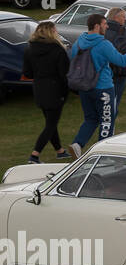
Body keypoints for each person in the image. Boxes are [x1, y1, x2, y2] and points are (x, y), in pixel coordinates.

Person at [68, 14, 126, 156]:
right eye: (105, 24)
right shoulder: (103, 44)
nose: (107, 26)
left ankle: (77, 144)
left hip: (84, 88)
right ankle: (103, 153)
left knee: (91, 119)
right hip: (103, 89)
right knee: (107, 121)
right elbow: (123, 61)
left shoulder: (79, 42)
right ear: (97, 26)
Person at [23, 21, 72, 163]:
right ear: (52, 32)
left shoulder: (29, 49)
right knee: (51, 124)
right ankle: (35, 154)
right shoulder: (58, 50)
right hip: (55, 90)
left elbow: (27, 72)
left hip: (39, 89)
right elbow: (64, 74)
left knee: (50, 122)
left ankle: (60, 151)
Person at [104, 7, 126, 117]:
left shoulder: (102, 29)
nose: (125, 19)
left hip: (104, 69)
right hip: (119, 69)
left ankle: (105, 116)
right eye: (123, 17)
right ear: (116, 17)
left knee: (105, 98)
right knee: (115, 98)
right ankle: (111, 121)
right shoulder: (123, 31)